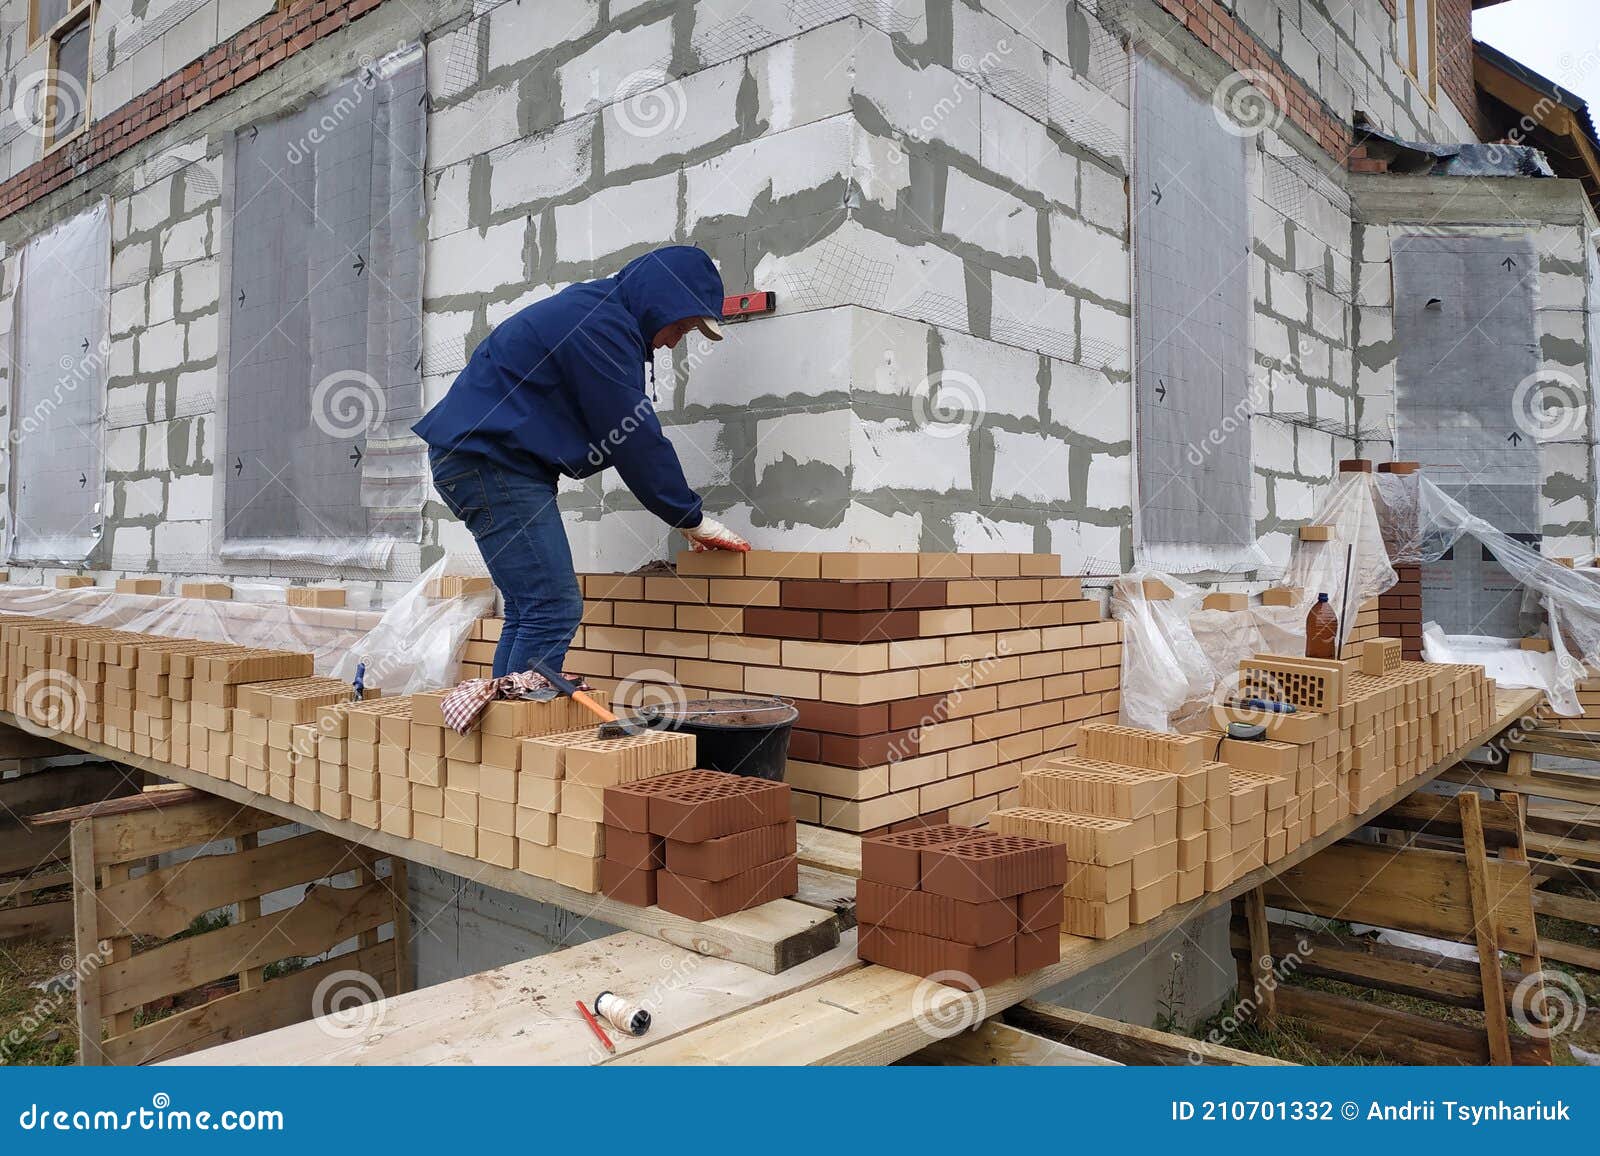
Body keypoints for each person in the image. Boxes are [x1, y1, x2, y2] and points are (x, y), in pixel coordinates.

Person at [413, 245, 750, 679]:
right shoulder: (602, 327)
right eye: (680, 327)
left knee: (529, 608)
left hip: (485, 460)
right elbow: (635, 436)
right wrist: (692, 518)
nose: (672, 342)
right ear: (659, 302)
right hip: (490, 463)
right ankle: (520, 731)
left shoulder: (600, 314)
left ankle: (503, 730)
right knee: (553, 609)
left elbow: (616, 428)